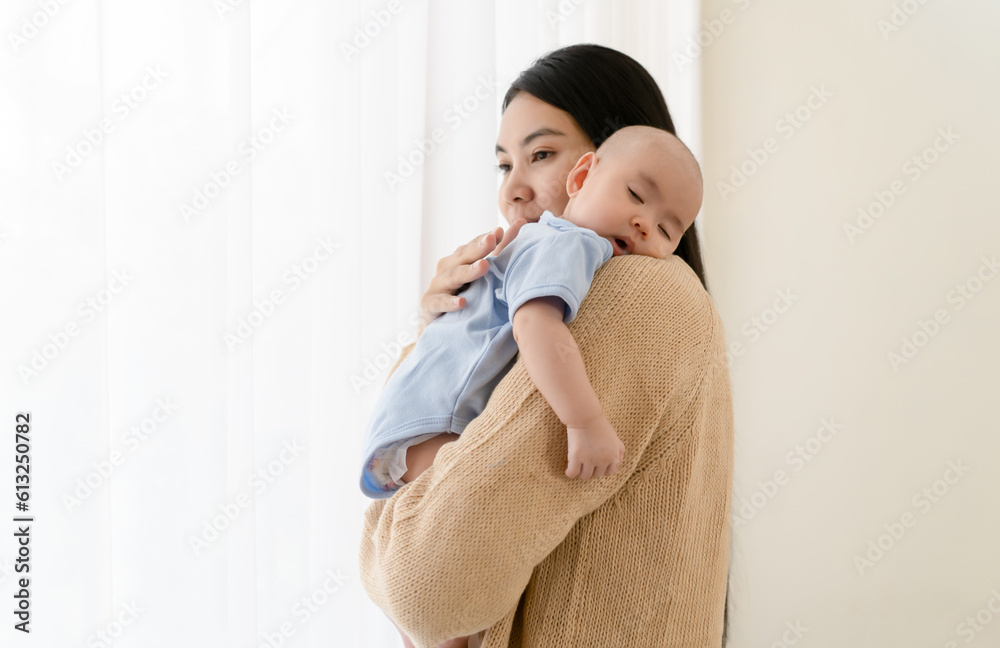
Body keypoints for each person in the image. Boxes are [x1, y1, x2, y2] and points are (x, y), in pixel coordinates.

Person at [358, 44, 734, 648]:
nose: (513, 190)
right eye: (504, 164)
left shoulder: (635, 292)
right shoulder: (601, 291)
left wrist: (386, 540)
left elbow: (427, 590)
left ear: (592, 166)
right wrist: (442, 327)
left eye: (541, 155)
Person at [359, 125, 703, 505]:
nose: (645, 224)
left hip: (411, 422)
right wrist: (585, 422)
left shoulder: (553, 241)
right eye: (635, 195)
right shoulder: (569, 242)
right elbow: (535, 325)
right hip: (436, 423)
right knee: (486, 497)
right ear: (582, 177)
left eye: (666, 229)